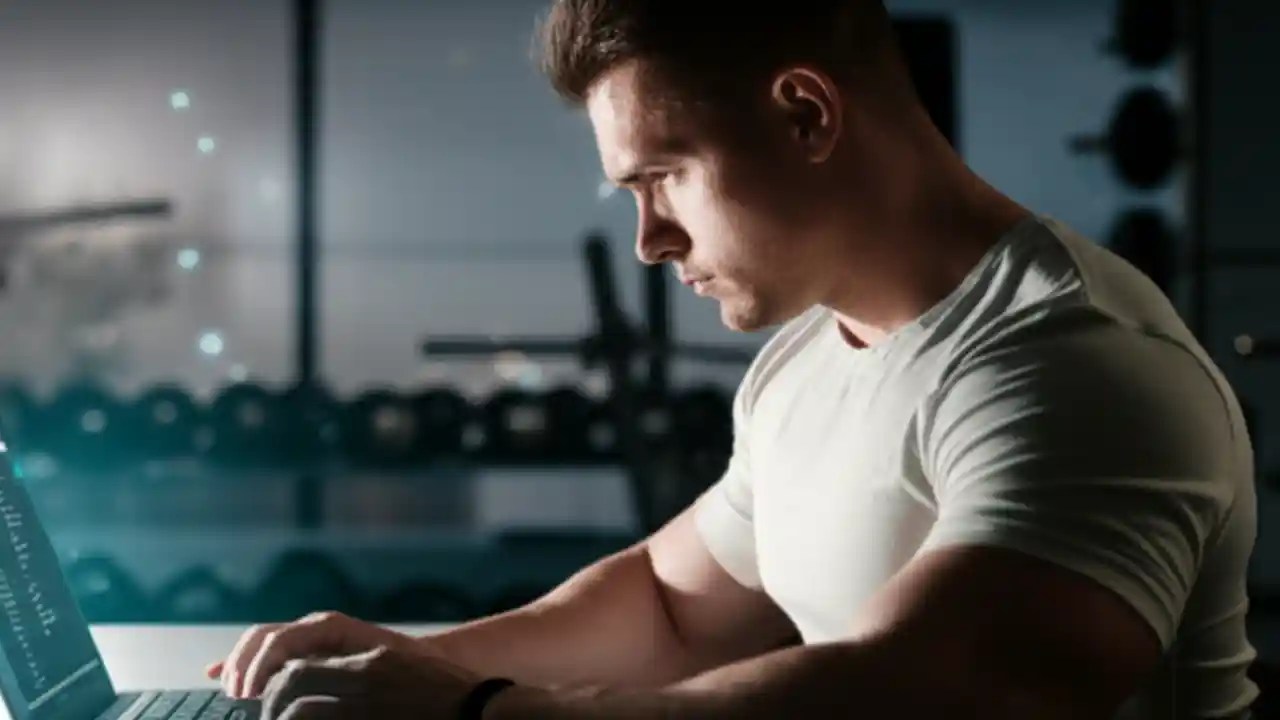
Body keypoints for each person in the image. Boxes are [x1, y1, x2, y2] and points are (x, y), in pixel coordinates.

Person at [205, 1, 1260, 718]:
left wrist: (475, 711)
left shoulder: (1070, 365)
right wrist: (412, 660)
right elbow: (669, 605)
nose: (648, 242)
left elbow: (908, 694)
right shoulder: (804, 361)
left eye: (662, 177)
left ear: (804, 114)